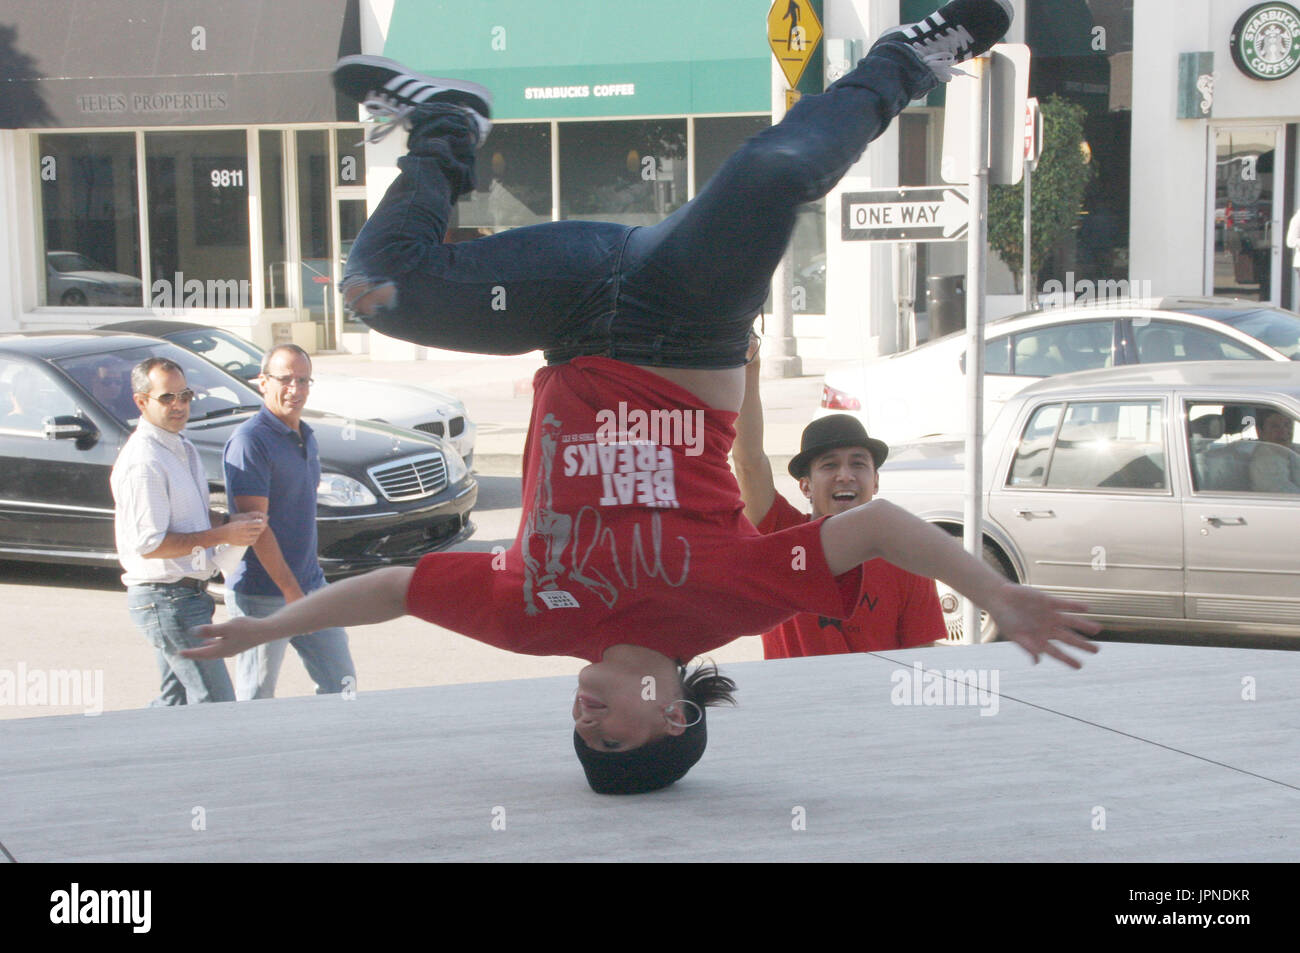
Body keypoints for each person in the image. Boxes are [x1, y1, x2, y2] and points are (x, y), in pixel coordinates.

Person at [187, 0, 1099, 794]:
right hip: (682, 313)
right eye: (610, 734)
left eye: (580, 736)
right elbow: (878, 525)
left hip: (571, 307)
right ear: (671, 715)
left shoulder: (529, 620)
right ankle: (913, 57)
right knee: (772, 176)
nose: (587, 720)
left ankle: (447, 132)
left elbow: (392, 590)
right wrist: (994, 595)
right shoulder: (725, 607)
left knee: (378, 286)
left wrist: (265, 622)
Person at [732, 338, 946, 656]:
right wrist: (749, 367)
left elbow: (924, 661)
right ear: (805, 486)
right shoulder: (782, 537)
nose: (845, 475)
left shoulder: (910, 563)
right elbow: (749, 462)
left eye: (858, 464)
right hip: (795, 705)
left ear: (875, 481)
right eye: (829, 465)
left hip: (877, 705)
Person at [111, 357, 266, 705]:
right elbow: (150, 545)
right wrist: (224, 536)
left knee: (174, 704)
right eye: (167, 398)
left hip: (185, 597)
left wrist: (230, 524)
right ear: (141, 401)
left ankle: (132, 757)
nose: (179, 405)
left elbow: (193, 518)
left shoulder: (181, 447)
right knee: (216, 705)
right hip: (166, 599)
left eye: (185, 395)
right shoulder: (144, 462)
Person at [221, 344, 358, 699]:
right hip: (264, 594)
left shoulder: (305, 435)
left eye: (303, 380)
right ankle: (252, 754)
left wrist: (306, 588)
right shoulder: (251, 441)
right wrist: (290, 591)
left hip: (310, 585)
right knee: (256, 696)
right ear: (262, 382)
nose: (295, 390)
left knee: (341, 684)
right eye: (285, 379)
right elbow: (256, 527)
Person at [1250, 407, 1300, 494]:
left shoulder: (1291, 450)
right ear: (1260, 432)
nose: (1284, 430)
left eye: (1287, 424)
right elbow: (1289, 496)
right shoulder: (1265, 461)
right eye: (1275, 426)